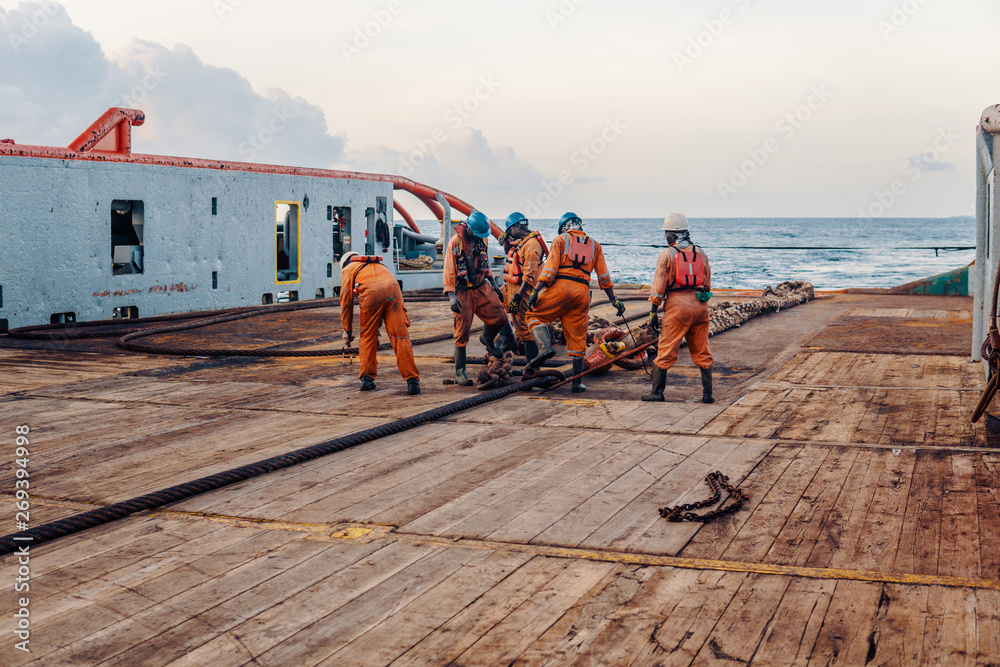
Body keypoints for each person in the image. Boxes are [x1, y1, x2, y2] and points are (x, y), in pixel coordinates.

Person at [525, 212, 626, 393]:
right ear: (580, 225)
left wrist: (535, 291)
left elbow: (550, 269)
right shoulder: (595, 245)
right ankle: (577, 383)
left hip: (560, 289)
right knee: (577, 337)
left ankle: (545, 348)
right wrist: (615, 301)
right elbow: (604, 277)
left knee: (533, 315)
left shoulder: (560, 240)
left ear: (564, 227)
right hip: (582, 293)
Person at [644, 213, 714, 403]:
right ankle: (707, 395)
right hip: (700, 305)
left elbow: (659, 288)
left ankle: (656, 393)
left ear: (672, 235)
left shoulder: (667, 254)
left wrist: (653, 312)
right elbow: (707, 283)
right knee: (702, 350)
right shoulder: (701, 253)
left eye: (666, 233)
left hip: (677, 306)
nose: (665, 237)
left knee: (666, 349)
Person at [444, 211, 513, 386]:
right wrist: (451, 295)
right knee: (462, 332)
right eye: (476, 234)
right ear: (469, 228)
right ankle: (460, 373)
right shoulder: (455, 243)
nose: (478, 237)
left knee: (500, 316)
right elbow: (449, 270)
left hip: (482, 286)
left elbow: (485, 263)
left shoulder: (483, 239)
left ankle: (487, 339)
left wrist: (494, 284)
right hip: (462, 291)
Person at [340, 251, 420, 395]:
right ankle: (412, 381)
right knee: (400, 337)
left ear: (345, 263)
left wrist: (347, 330)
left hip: (371, 295)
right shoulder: (378, 265)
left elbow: (346, 303)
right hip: (393, 291)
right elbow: (383, 289)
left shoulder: (348, 270)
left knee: (367, 336)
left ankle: (367, 379)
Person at [501, 212, 548, 363]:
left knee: (525, 329)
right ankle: (507, 340)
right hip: (512, 288)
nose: (509, 233)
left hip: (524, 292)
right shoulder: (522, 242)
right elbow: (510, 253)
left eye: (510, 230)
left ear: (516, 227)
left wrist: (518, 297)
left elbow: (529, 276)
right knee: (493, 304)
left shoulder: (532, 245)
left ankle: (532, 368)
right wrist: (506, 242)